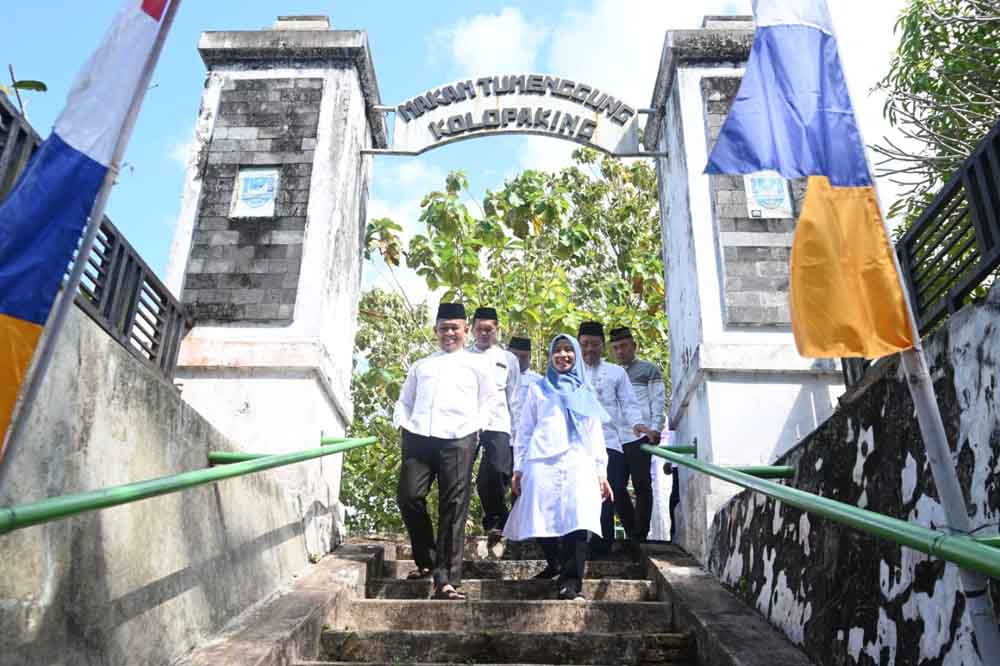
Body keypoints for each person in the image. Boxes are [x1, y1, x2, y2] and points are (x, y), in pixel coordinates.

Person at [394, 302, 496, 600]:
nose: (449, 333)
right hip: (419, 437)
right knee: (409, 496)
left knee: (453, 507)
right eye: (443, 328)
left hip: (459, 438)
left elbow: (490, 401)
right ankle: (426, 561)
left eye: (455, 328)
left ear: (466, 329)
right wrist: (402, 423)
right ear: (435, 331)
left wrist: (476, 427)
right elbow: (404, 401)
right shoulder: (421, 365)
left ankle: (446, 580)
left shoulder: (478, 364)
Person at [503, 334, 613, 600]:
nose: (563, 355)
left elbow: (595, 433)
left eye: (568, 350)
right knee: (539, 515)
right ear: (551, 356)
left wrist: (601, 472)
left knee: (578, 519)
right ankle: (554, 562)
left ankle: (571, 583)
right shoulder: (538, 389)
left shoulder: (585, 392)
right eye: (558, 351)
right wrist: (518, 467)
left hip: (579, 461)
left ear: (575, 355)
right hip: (541, 461)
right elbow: (526, 430)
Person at [577, 321, 653, 561]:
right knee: (582, 494)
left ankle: (603, 545)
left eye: (595, 344)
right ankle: (583, 544)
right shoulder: (571, 371)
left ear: (603, 346)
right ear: (578, 345)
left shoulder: (616, 372)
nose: (590, 349)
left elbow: (629, 403)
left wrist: (638, 425)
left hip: (611, 442)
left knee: (612, 490)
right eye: (585, 344)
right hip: (579, 444)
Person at [608, 326, 666, 543]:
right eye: (615, 348)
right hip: (616, 439)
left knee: (642, 485)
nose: (620, 351)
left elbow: (657, 401)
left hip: (640, 436)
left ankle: (639, 535)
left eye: (624, 346)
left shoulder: (648, 370)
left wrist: (655, 429)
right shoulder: (611, 373)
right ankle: (632, 531)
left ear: (634, 346)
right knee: (615, 486)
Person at [468, 306, 521, 539]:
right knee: (459, 475)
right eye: (479, 329)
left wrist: (517, 435)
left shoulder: (508, 359)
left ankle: (498, 522)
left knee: (495, 473)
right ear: (471, 330)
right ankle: (457, 525)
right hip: (467, 422)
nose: (484, 333)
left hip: (499, 423)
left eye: (488, 329)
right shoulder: (463, 356)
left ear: (497, 330)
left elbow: (515, 398)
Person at [508, 336, 543, 431]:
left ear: (530, 357)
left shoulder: (539, 381)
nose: (518, 360)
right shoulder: (498, 376)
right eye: (514, 356)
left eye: (523, 357)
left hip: (527, 432)